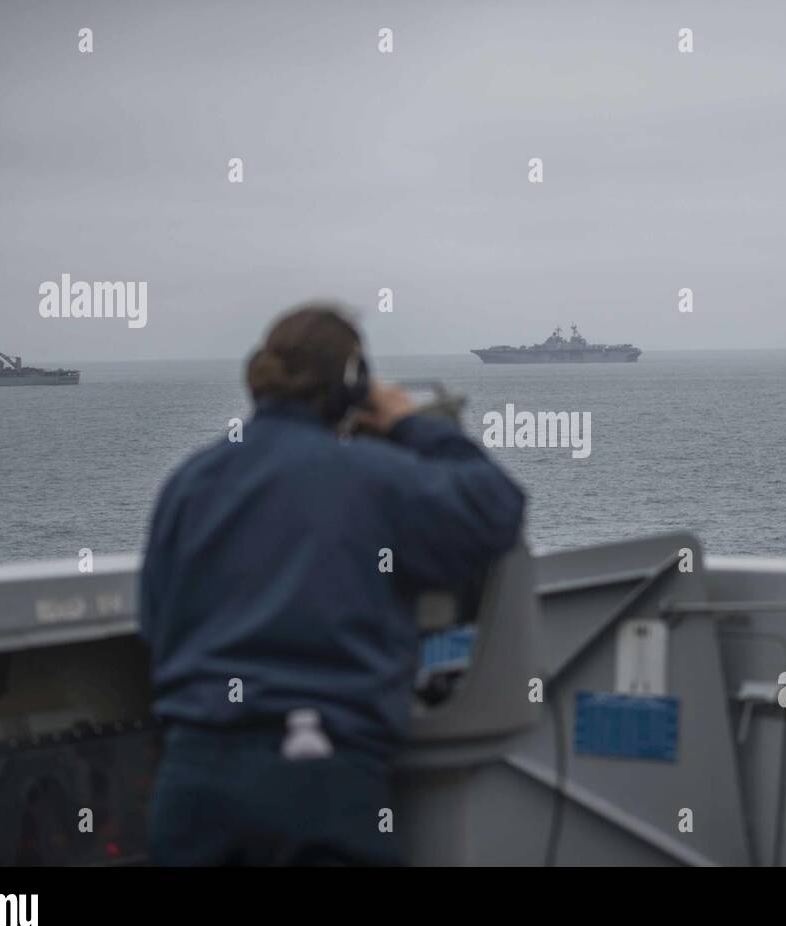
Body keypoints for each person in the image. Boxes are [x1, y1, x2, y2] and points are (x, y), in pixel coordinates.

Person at [139, 303, 526, 865]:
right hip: (316, 775)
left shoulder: (188, 483)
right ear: (353, 385)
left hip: (191, 777)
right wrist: (408, 422)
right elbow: (497, 506)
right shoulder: (371, 479)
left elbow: (155, 623)